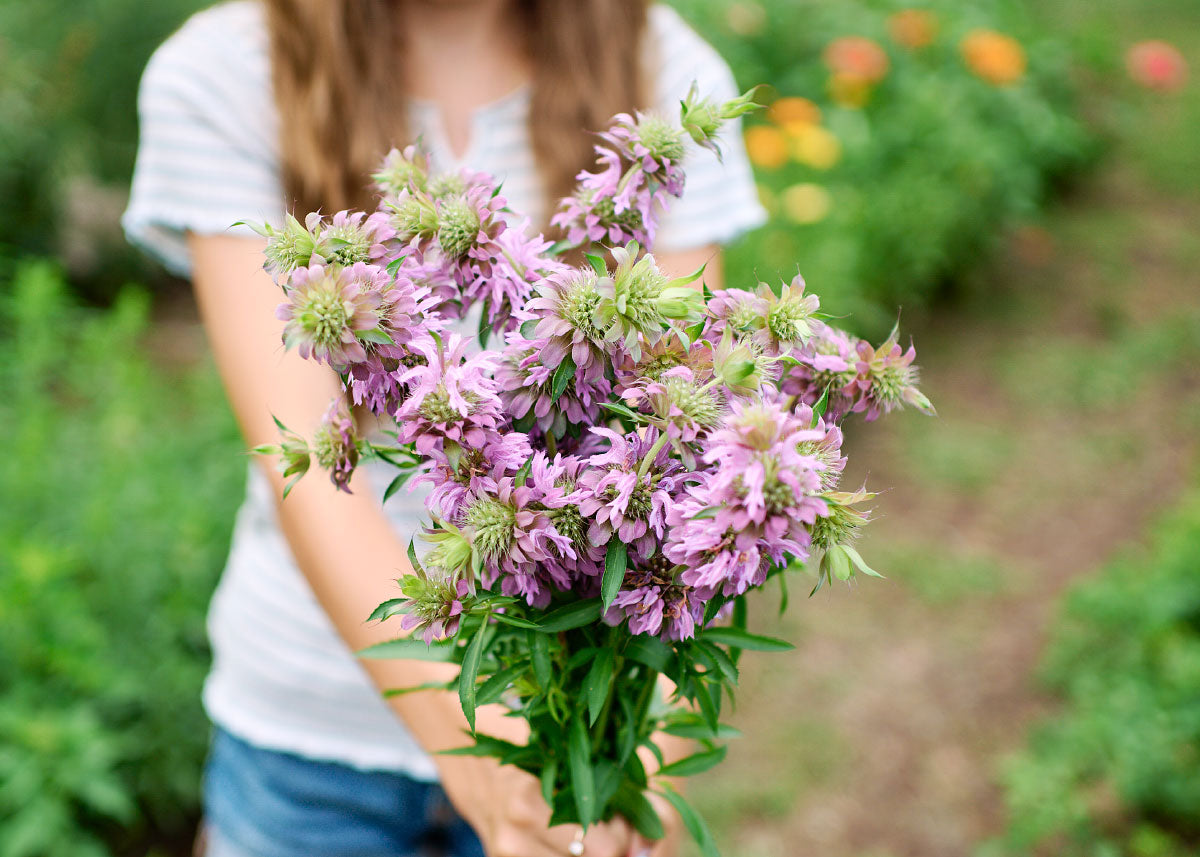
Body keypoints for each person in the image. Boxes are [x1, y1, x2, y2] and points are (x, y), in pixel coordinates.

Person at [123, 1, 765, 855]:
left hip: (568, 724)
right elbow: (309, 462)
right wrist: (480, 758)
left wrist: (630, 762)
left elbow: (682, 458)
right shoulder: (222, 70)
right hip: (312, 744)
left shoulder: (664, 66)